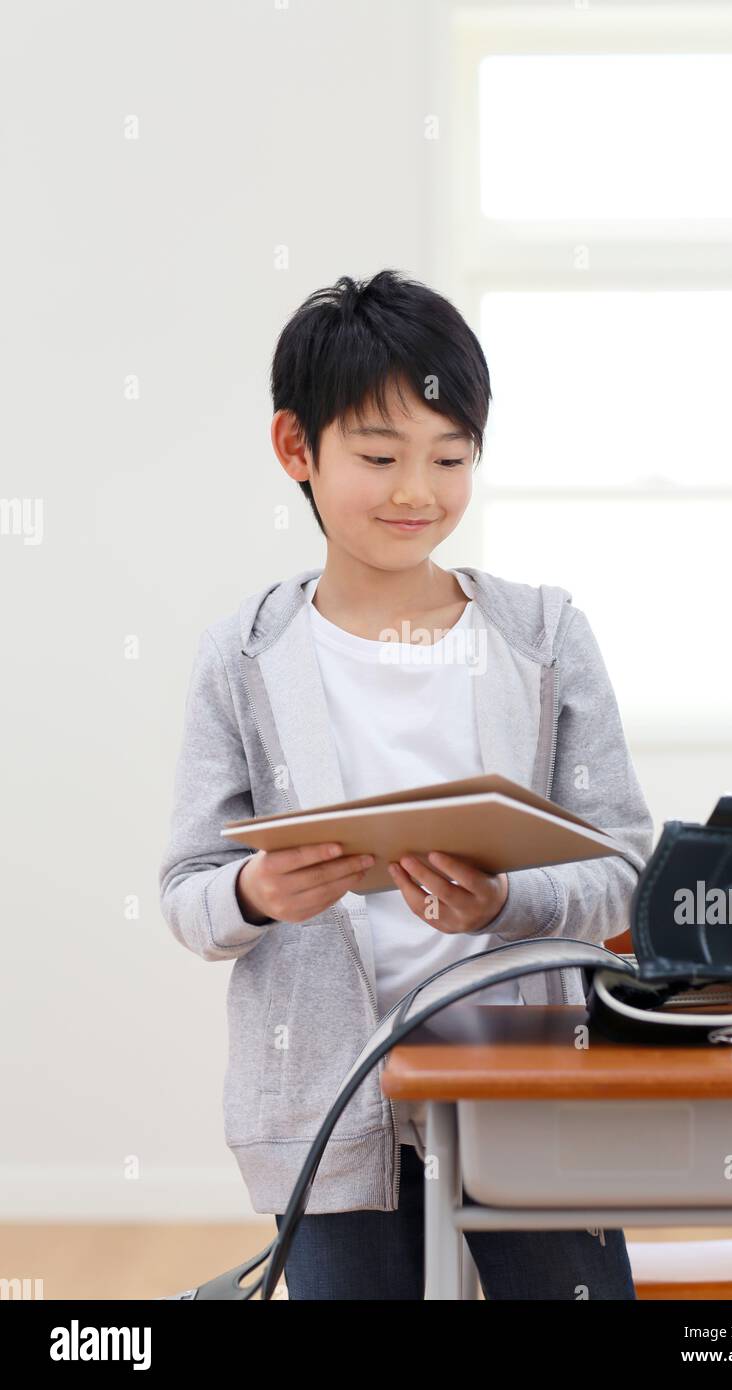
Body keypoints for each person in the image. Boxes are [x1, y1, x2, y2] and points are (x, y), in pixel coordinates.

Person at [158, 268, 654, 1299]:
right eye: (380, 457)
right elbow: (188, 895)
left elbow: (627, 871)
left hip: (523, 1084)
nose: (417, 492)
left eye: (450, 457)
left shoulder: (543, 637)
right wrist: (258, 892)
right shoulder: (242, 657)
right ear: (296, 447)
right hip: (331, 1105)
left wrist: (506, 900)